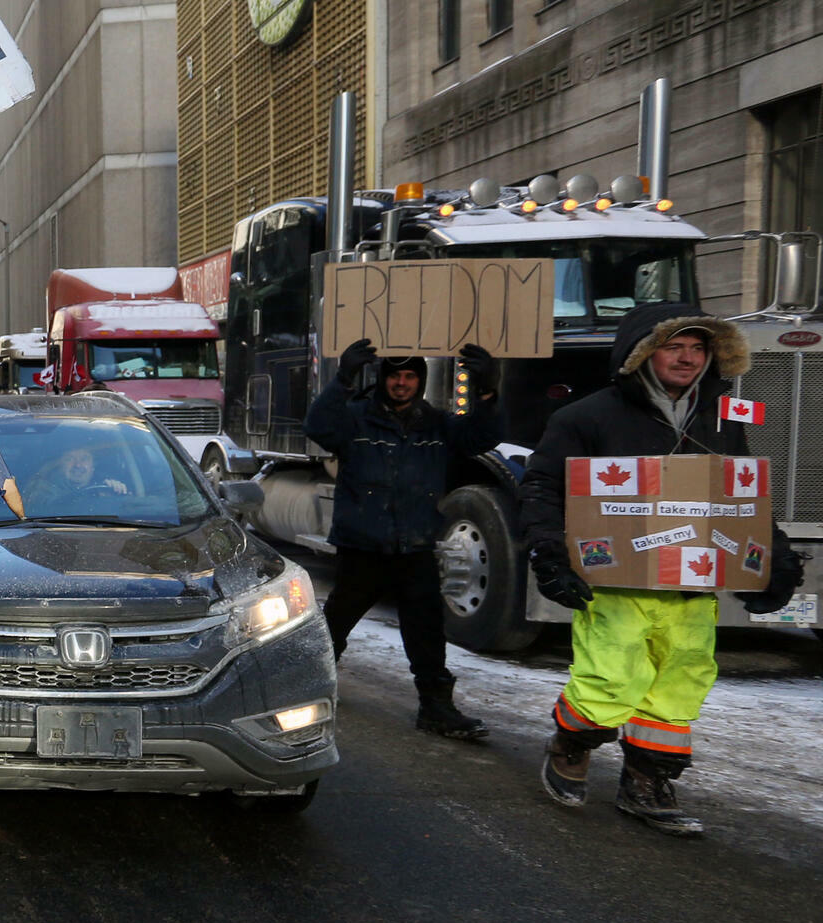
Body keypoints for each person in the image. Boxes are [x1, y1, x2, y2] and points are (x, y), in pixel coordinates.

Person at [520, 303, 805, 835]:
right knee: (609, 680)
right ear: (644, 354)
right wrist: (550, 553)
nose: (688, 358)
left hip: (691, 582)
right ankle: (571, 743)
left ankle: (646, 781)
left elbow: (742, 498)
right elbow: (542, 486)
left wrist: (775, 559)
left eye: (698, 348)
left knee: (680, 682)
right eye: (675, 346)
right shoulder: (586, 417)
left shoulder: (720, 419)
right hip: (613, 583)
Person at [304, 338, 500, 741]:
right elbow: (318, 427)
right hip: (364, 545)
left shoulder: (438, 424)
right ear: (383, 379)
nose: (402, 383)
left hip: (416, 546)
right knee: (336, 623)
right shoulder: (355, 418)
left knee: (426, 631)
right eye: (395, 375)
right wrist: (342, 378)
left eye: (411, 376)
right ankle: (306, 687)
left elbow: (481, 439)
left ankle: (436, 708)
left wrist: (487, 391)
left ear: (420, 381)